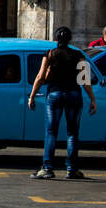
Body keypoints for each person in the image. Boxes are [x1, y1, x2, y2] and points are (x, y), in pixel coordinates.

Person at [28, 26, 97, 180]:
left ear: (56, 39)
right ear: (70, 39)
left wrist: (32, 96)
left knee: (51, 131)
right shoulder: (78, 55)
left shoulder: (50, 54)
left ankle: (47, 168)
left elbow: (40, 77)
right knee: (72, 133)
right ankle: (72, 169)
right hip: (74, 94)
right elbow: (84, 80)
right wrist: (92, 99)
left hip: (54, 94)